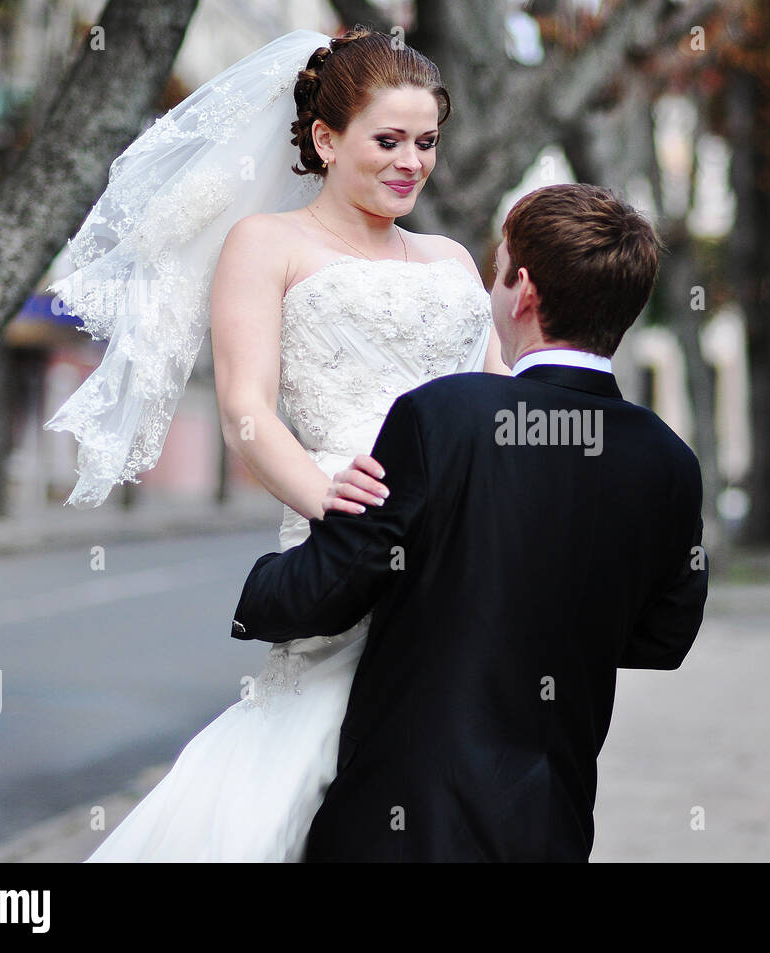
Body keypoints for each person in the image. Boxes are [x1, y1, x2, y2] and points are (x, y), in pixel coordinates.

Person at [45, 28, 503, 861]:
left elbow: (500, 400)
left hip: (468, 548)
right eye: (389, 140)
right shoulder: (267, 244)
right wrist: (333, 500)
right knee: (321, 754)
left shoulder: (450, 257)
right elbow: (245, 411)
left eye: (427, 141)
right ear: (327, 140)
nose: (412, 161)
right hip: (346, 524)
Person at [232, 183, 709, 862]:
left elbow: (330, 588)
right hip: (552, 821)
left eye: (497, 269)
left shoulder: (442, 415)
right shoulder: (668, 459)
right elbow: (666, 636)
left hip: (404, 819)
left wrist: (258, 591)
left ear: (523, 292)